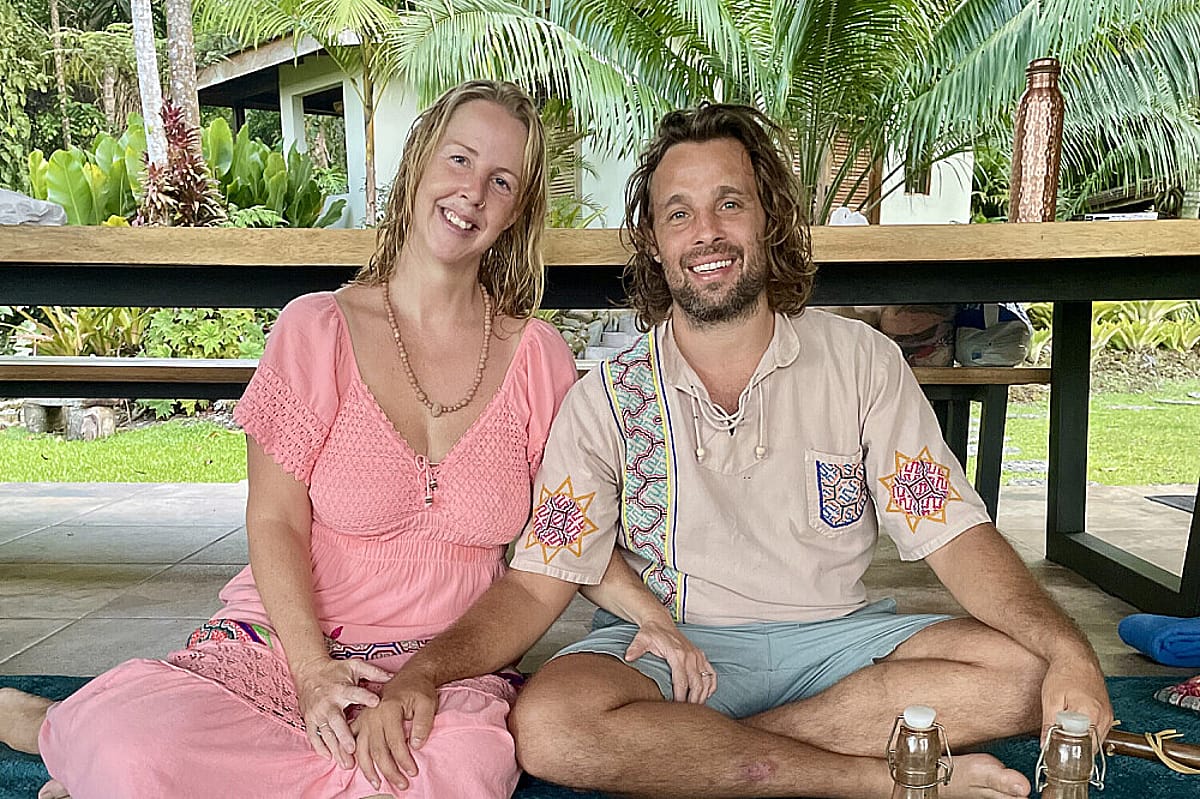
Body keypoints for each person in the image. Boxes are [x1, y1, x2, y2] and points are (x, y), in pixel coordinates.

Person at [363, 103, 1115, 799]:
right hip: (668, 650)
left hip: (838, 646)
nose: (707, 233)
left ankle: (707, 756)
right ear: (655, 244)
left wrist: (1072, 652)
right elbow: (538, 582)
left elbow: (955, 535)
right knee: (553, 722)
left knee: (1029, 666)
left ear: (768, 219)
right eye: (678, 213)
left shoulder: (861, 362)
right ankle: (863, 775)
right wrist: (428, 669)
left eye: (730, 202)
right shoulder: (609, 395)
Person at [0, 80, 707, 799]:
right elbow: (273, 520)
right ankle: (71, 733)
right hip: (288, 647)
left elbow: (563, 532)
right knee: (134, 746)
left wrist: (654, 615)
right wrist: (312, 672)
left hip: (443, 665)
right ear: (420, 164)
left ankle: (120, 770)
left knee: (455, 772)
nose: (473, 192)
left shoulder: (538, 358)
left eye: (502, 180)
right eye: (460, 160)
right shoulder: (316, 330)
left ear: (518, 210)